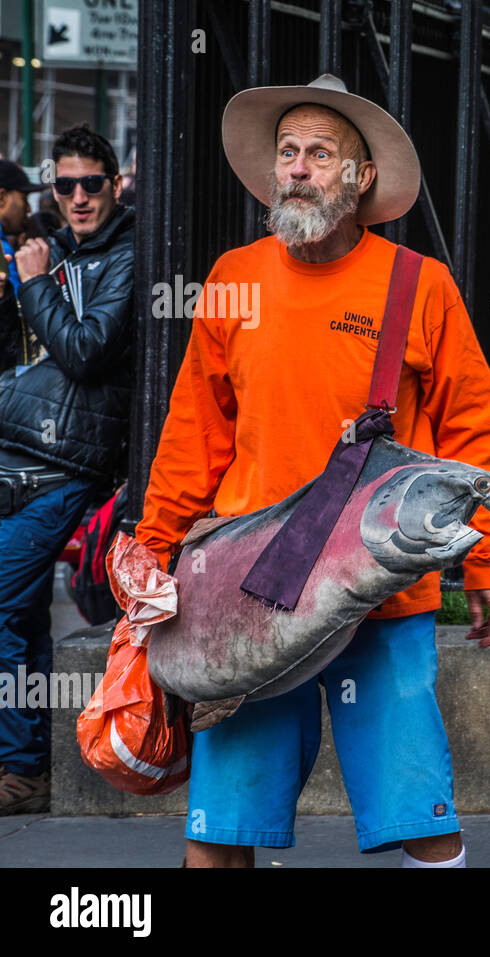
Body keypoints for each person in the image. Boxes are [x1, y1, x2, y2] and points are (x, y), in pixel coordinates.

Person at [133, 74, 490, 868]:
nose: (298, 167)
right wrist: (151, 550)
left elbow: (471, 433)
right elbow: (194, 434)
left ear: (360, 177)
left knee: (425, 821)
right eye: (288, 151)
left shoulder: (420, 285)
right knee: (220, 834)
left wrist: (483, 561)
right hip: (245, 595)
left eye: (320, 153)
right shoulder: (234, 278)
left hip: (380, 591)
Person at [0, 126, 135, 813]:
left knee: (2, 600)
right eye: (65, 185)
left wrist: (30, 285)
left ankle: (21, 767)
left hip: (67, 462)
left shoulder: (128, 256)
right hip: (26, 457)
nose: (78, 197)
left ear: (114, 183)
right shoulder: (56, 253)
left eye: (91, 183)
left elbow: (86, 351)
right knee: (17, 610)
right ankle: (30, 761)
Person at [0, 159, 46, 371]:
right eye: (24, 198)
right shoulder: (4, 252)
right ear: (2, 197)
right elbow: (20, 315)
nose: (28, 208)